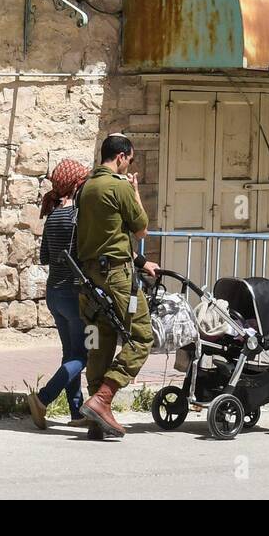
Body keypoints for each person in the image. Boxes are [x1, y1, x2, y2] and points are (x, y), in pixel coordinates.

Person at [75, 133, 156, 439]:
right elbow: (142, 227)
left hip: (88, 277)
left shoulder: (86, 187)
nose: (128, 166)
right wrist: (135, 192)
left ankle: (97, 417)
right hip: (116, 277)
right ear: (121, 157)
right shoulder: (118, 186)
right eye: (130, 160)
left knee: (98, 339)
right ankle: (103, 399)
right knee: (141, 336)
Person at [26, 159, 91, 430]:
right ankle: (43, 398)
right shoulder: (77, 215)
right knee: (83, 355)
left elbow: (44, 257)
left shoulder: (52, 214)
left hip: (53, 294)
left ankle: (77, 412)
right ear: (77, 183)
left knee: (70, 352)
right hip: (73, 295)